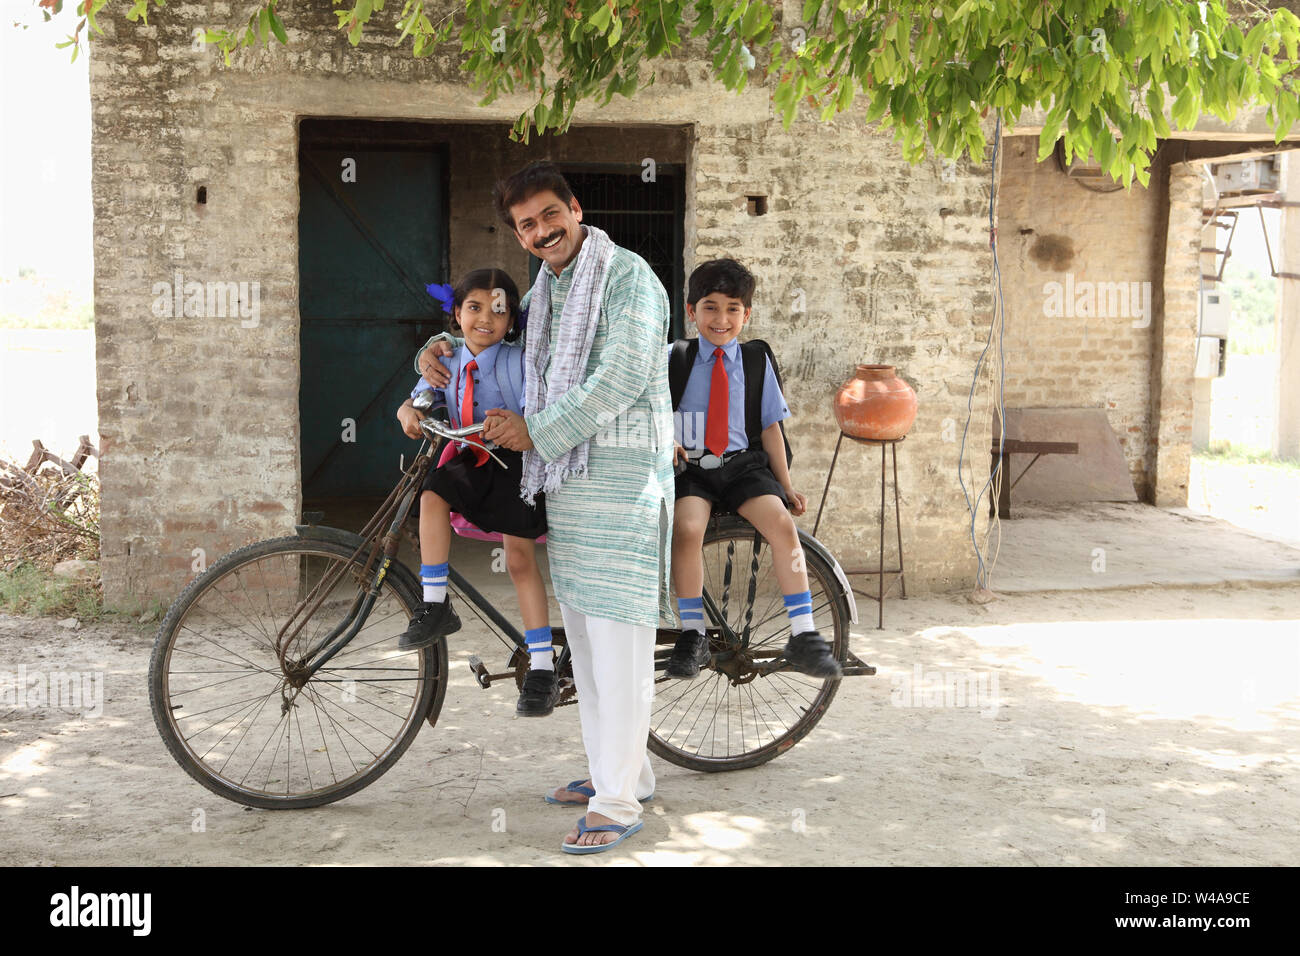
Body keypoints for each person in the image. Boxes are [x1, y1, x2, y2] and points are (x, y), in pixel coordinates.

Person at [417, 161, 672, 854]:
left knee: (618, 645)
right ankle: (625, 772)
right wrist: (434, 353)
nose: (540, 232)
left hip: (618, 482)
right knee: (586, 642)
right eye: (526, 225)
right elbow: (500, 339)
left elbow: (618, 376)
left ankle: (617, 804)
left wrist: (538, 431)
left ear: (574, 208)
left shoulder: (628, 279)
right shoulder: (549, 286)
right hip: (568, 483)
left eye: (548, 216)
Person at [664, 258, 841, 679]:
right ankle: (692, 632)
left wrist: (787, 485)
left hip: (743, 467)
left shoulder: (756, 361)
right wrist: (666, 438)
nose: (720, 319)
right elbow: (654, 410)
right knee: (686, 529)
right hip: (692, 468)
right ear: (691, 311)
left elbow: (771, 429)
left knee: (782, 525)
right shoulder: (675, 357)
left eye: (732, 308)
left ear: (747, 314)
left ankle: (803, 634)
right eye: (709, 307)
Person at [395, 268, 560, 717]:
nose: (486, 318)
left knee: (520, 561)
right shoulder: (444, 361)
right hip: (472, 461)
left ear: (512, 322)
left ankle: (543, 667)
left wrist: (519, 421)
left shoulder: (516, 360)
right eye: (474, 307)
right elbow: (425, 396)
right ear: (456, 313)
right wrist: (408, 409)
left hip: (515, 466)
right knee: (432, 493)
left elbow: (538, 402)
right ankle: (435, 604)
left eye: (499, 311)